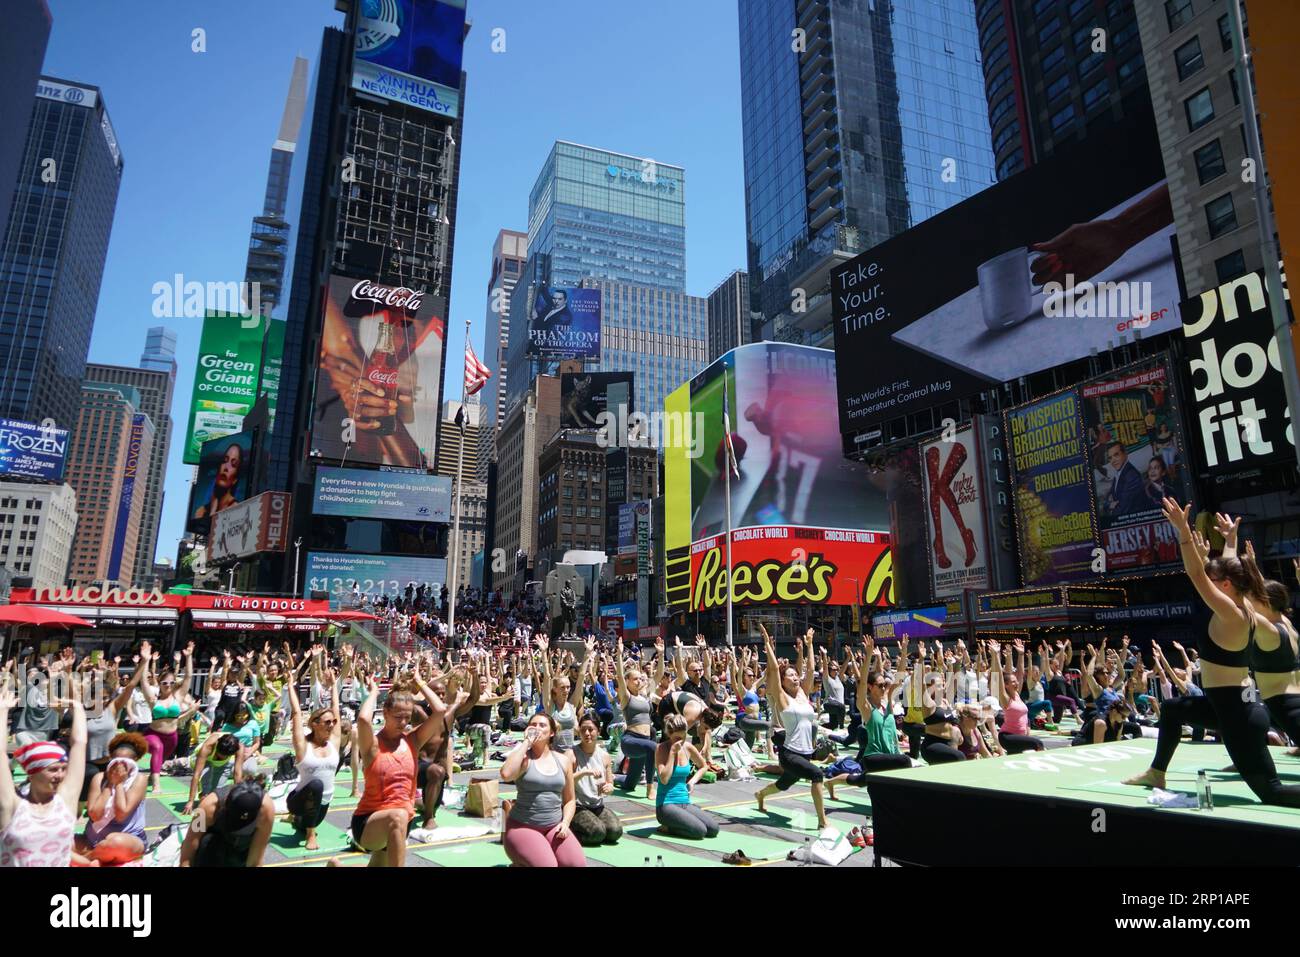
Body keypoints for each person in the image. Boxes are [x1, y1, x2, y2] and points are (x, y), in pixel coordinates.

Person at [1124, 499, 1300, 806]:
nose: (1209, 584)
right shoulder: (1242, 604)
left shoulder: (1233, 614)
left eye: (1215, 581)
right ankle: (1157, 771)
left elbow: (1195, 573)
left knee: (1271, 792)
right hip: (1234, 706)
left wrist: (1183, 532)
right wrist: (1229, 541)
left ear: (1227, 585)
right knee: (1174, 709)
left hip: (1238, 714)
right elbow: (1228, 570)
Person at [353, 674, 450, 866]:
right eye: (398, 717)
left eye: (407, 717)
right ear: (385, 713)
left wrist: (420, 682)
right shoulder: (372, 745)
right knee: (397, 816)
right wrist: (374, 691)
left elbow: (439, 710)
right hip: (370, 822)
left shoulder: (412, 741)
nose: (403, 722)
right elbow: (364, 719)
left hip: (401, 823)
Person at [1, 685, 85, 867]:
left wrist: (78, 708)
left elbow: (79, 743)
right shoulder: (12, 807)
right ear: (32, 773)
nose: (61, 775)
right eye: (53, 769)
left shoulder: (66, 802)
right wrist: (2, 711)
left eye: (63, 768)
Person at [754, 625, 828, 830]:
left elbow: (811, 669)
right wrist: (768, 645)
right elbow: (773, 670)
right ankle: (823, 822)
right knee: (817, 775)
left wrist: (810, 645)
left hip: (805, 753)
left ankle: (760, 795)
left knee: (783, 784)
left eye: (797, 674)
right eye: (791, 675)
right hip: (789, 753)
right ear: (783, 681)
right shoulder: (781, 697)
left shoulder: (804, 692)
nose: (796, 677)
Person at [499, 712, 585, 867]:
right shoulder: (524, 758)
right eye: (533, 725)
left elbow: (570, 800)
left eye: (542, 725)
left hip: (554, 826)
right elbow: (505, 774)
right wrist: (526, 742)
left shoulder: (563, 761)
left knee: (577, 864)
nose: (536, 728)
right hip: (522, 827)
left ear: (551, 733)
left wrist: (565, 823)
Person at [284, 659, 341, 851]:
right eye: (326, 723)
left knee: (305, 821)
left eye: (332, 722)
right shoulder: (303, 745)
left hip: (322, 805)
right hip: (298, 801)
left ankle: (298, 823)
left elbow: (336, 709)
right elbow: (297, 713)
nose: (331, 725)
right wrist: (291, 685)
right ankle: (310, 835)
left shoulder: (333, 743)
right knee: (315, 785)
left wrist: (334, 686)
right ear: (314, 724)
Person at [75, 733, 149, 866]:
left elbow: (121, 814)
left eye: (125, 762)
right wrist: (109, 784)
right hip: (92, 839)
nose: (119, 766)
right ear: (110, 759)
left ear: (135, 760)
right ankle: (98, 857)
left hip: (126, 840)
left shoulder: (140, 780)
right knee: (60, 841)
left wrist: (119, 784)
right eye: (116, 761)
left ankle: (87, 859)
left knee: (115, 842)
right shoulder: (99, 778)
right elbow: (94, 814)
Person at [140, 641, 199, 792]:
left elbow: (188, 677)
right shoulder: (153, 699)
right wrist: (146, 660)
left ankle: (149, 779)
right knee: (157, 748)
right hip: (152, 734)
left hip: (172, 737)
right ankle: (156, 785)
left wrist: (189, 657)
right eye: (165, 682)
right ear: (159, 683)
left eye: (172, 682)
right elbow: (143, 681)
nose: (168, 685)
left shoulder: (178, 697)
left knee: (160, 762)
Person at [180, 780, 275, 867]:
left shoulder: (267, 812)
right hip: (212, 846)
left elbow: (255, 862)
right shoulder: (205, 808)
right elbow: (189, 847)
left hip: (242, 848)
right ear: (225, 805)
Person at [655, 714, 719, 839]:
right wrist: (673, 752)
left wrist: (692, 782)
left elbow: (704, 766)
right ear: (669, 734)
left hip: (684, 802)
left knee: (713, 829)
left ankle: (680, 824)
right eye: (676, 738)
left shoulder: (688, 747)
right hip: (666, 805)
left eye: (683, 737)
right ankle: (668, 827)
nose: (680, 741)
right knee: (700, 832)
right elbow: (664, 779)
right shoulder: (661, 749)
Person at [613, 637, 659, 800]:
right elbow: (619, 675)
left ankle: (612, 777)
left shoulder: (644, 695)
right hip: (631, 741)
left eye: (640, 678)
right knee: (653, 747)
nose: (639, 680)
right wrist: (619, 655)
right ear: (627, 682)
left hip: (644, 742)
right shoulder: (626, 697)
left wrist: (659, 655)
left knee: (629, 785)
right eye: (635, 679)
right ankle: (650, 788)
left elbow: (657, 678)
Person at [569, 713, 622, 847]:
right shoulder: (571, 754)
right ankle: (570, 830)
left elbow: (610, 784)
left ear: (598, 730)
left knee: (615, 832)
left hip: (597, 805)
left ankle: (593, 828)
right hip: (577, 806)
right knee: (596, 833)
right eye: (583, 730)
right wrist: (583, 773)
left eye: (591, 729)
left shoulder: (604, 756)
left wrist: (609, 787)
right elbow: (565, 783)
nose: (587, 733)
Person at [989, 640, 1045, 754]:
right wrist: (995, 655)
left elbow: (1019, 672)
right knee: (1038, 744)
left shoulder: (1017, 695)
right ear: (1006, 685)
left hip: (1019, 736)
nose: (1017, 683)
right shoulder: (1005, 698)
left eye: (1016, 682)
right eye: (1013, 682)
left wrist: (1020, 654)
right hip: (1007, 737)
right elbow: (999, 676)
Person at [184, 732, 244, 814]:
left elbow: (237, 773)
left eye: (226, 756)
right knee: (206, 791)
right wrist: (190, 801)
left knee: (217, 794)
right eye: (219, 755)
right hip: (201, 760)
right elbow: (197, 774)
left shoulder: (239, 747)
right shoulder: (208, 746)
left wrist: (239, 799)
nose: (222, 757)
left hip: (222, 765)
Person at [192, 441, 245, 521]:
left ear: (235, 479)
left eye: (233, 464)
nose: (226, 467)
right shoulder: (200, 512)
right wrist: (213, 510)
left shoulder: (237, 510)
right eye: (224, 460)